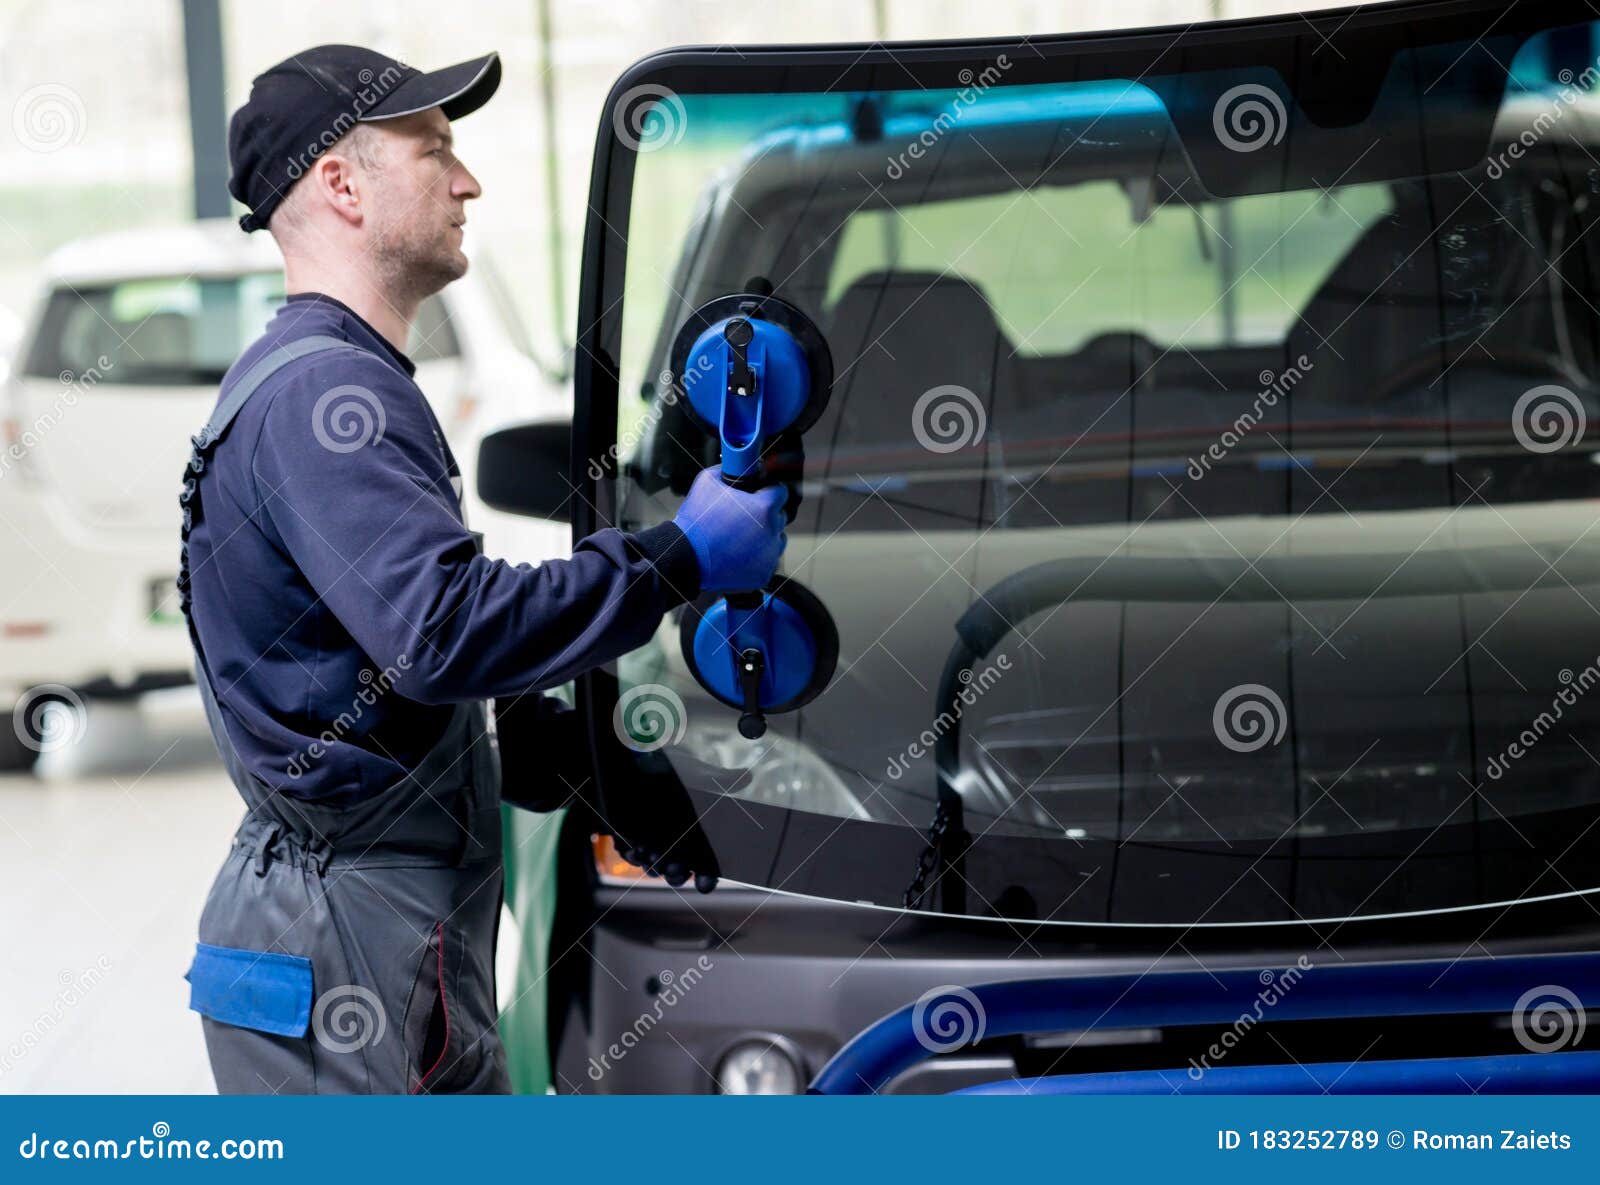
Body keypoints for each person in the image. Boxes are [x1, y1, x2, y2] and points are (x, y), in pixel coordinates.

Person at [178, 44, 785, 1094]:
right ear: (340, 184)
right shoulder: (324, 403)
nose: (468, 182)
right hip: (344, 948)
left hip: (370, 923)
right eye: (436, 151)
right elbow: (439, 631)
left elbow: (358, 679)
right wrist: (679, 557)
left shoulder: (339, 384)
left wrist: (566, 760)